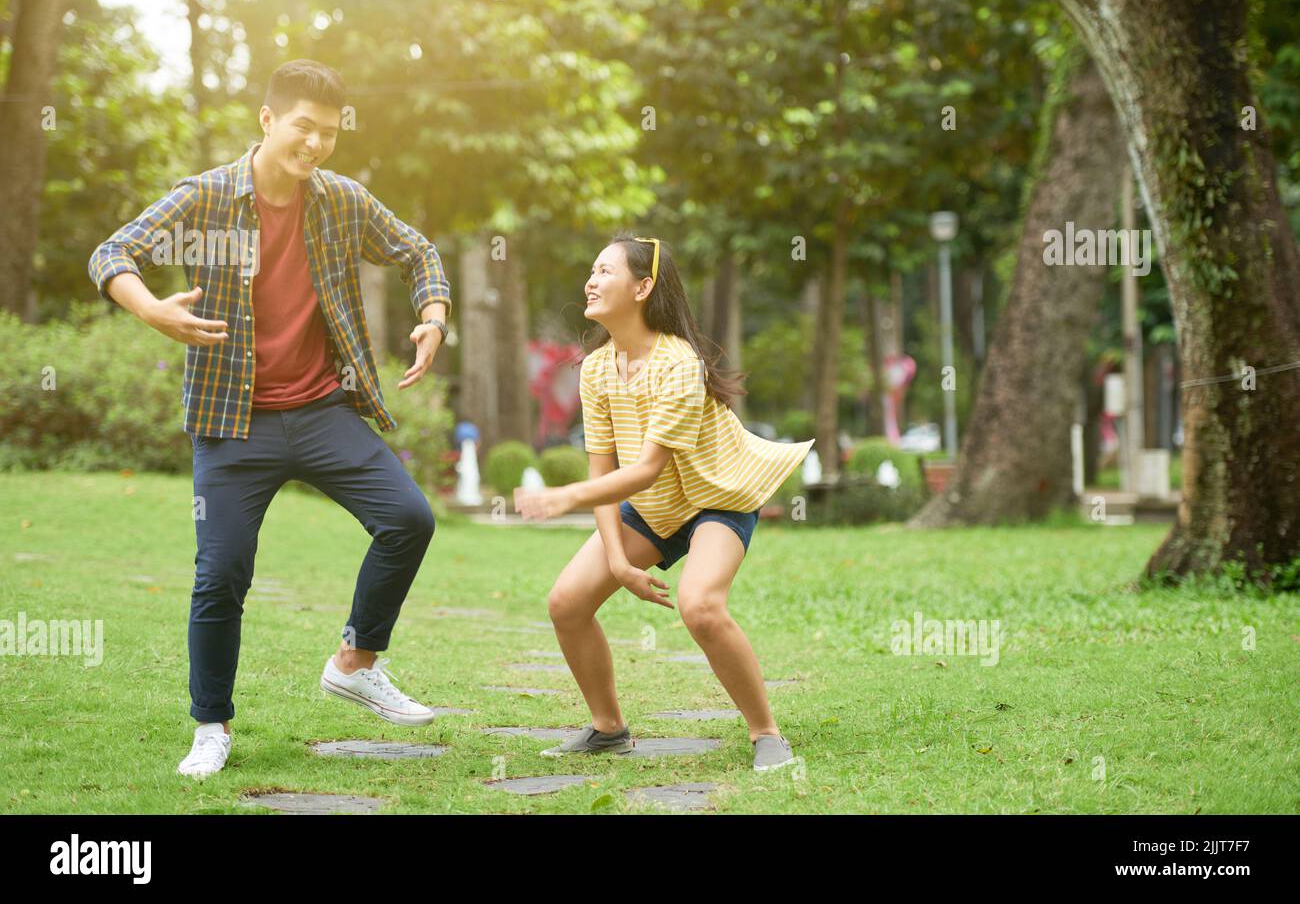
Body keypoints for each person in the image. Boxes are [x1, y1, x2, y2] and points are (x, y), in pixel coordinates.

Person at [87, 60, 452, 778]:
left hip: (323, 410)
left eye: (329, 133)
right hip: (234, 421)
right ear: (267, 119)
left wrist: (433, 314)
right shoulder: (208, 196)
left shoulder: (341, 201)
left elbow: (418, 251)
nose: (314, 144)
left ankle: (355, 661)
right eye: (302, 127)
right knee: (220, 572)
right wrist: (152, 309)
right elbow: (112, 252)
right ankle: (211, 726)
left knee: (409, 517)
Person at [513, 233, 813, 772]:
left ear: (643, 286)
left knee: (700, 606)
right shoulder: (597, 368)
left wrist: (563, 498)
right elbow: (603, 468)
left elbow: (647, 466)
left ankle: (766, 733)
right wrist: (616, 559)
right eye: (592, 269)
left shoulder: (678, 363)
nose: (591, 280)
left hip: (715, 500)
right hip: (651, 506)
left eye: (605, 271)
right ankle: (608, 729)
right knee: (568, 603)